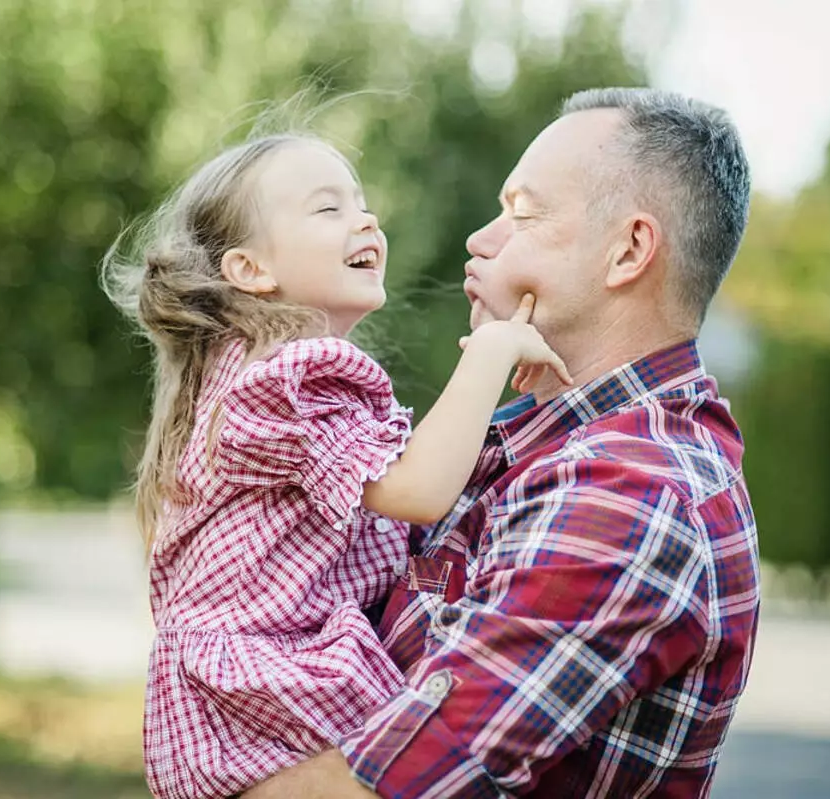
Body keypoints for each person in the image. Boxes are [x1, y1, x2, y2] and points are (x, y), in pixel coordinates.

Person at [243, 87, 761, 799]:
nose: (480, 239)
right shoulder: (525, 450)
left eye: (522, 214)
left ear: (629, 250)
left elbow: (385, 787)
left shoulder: (629, 495)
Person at [102, 131, 571, 799]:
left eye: (362, 203)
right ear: (249, 270)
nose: (366, 220)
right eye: (329, 210)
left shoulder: (249, 371)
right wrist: (491, 351)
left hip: (230, 698)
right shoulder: (288, 376)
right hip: (272, 685)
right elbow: (417, 490)